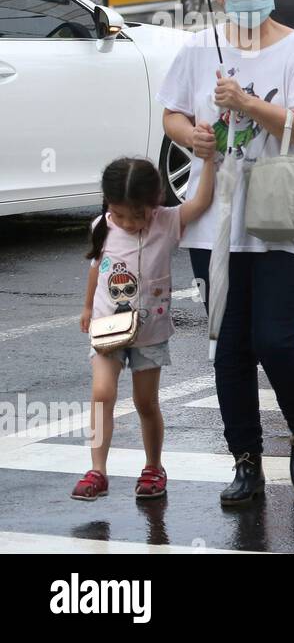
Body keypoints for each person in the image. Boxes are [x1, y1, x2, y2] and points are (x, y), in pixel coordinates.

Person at [156, 0, 294, 505]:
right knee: (229, 348)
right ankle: (246, 461)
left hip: (283, 217)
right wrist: (194, 137)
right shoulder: (196, 49)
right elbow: (171, 113)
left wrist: (246, 103)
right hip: (215, 225)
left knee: (274, 337)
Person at [73, 156, 216, 500]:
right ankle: (97, 470)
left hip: (150, 333)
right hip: (108, 327)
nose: (129, 222)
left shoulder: (167, 223)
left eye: (138, 215)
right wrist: (89, 305)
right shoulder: (102, 225)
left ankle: (153, 466)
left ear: (155, 202)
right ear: (109, 204)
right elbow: (98, 266)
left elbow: (201, 201)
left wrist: (208, 160)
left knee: (145, 402)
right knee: (101, 394)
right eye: (120, 214)